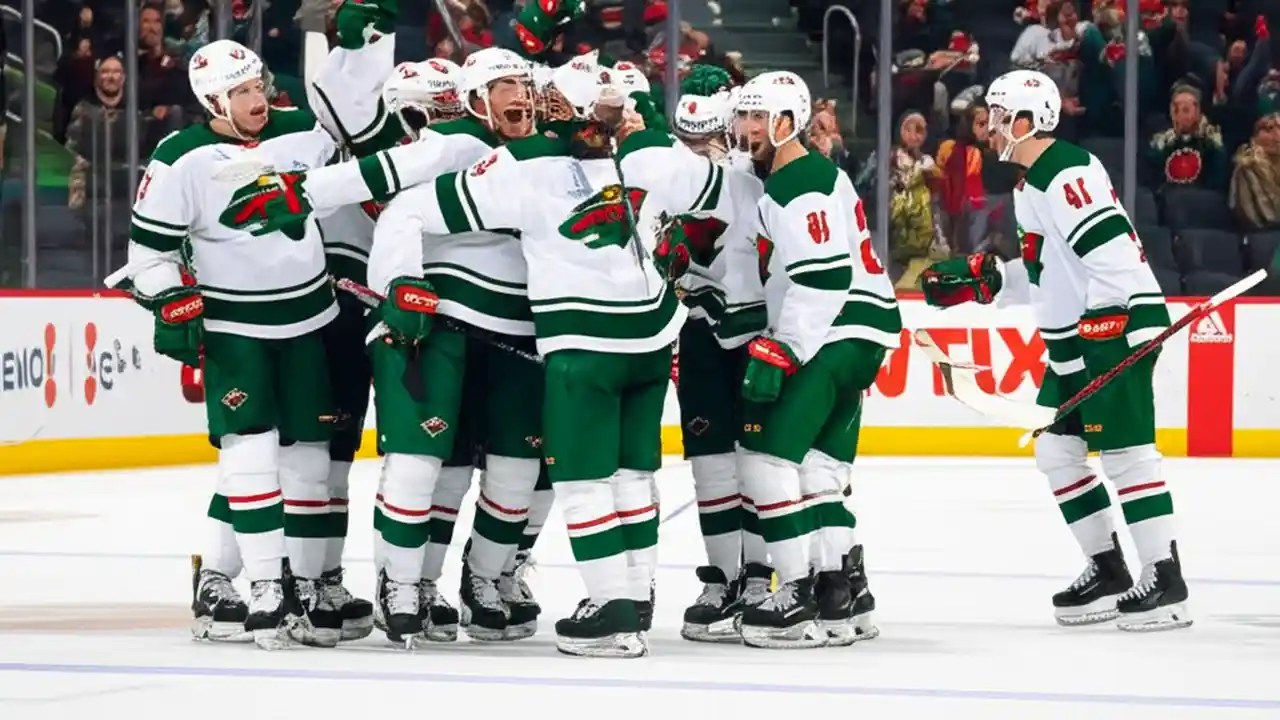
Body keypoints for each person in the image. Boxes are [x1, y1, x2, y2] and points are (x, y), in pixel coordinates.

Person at [918, 69, 1191, 632]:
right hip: (1074, 337)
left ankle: (1165, 581)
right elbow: (1047, 273)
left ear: (1023, 121)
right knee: (1057, 454)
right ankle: (1108, 568)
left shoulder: (1065, 171)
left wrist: (1111, 330)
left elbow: (1113, 254)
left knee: (1127, 454)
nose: (986, 130)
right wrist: (991, 282)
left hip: (1111, 327)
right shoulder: (1031, 182)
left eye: (995, 118)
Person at [117, 39, 344, 650]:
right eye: (242, 92)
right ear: (214, 100)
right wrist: (167, 296)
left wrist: (352, 47)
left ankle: (290, 582)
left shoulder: (304, 130)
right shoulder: (180, 158)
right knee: (250, 453)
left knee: (308, 461)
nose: (258, 100)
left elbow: (354, 117)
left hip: (308, 319)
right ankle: (261, 584)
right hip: (234, 327)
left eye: (260, 86)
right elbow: (148, 256)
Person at [661, 83, 771, 642]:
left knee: (760, 461)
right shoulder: (666, 181)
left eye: (709, 137)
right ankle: (722, 576)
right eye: (688, 138)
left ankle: (760, 575)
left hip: (760, 335)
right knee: (710, 464)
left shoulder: (759, 180)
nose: (699, 149)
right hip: (700, 334)